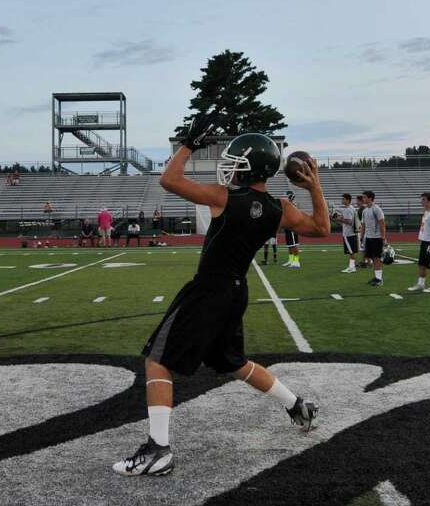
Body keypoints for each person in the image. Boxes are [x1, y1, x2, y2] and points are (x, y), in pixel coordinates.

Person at [113, 118, 329, 477]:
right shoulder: (280, 209)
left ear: (250, 167)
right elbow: (322, 228)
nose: (229, 167)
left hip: (208, 288)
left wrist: (188, 145)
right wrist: (315, 185)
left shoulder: (224, 196)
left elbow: (169, 180)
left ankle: (158, 450)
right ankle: (297, 406)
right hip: (235, 291)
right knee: (233, 364)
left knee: (158, 361)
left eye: (236, 162)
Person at [408, 192, 430, 292]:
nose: (421, 201)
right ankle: (421, 284)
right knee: (421, 264)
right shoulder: (426, 211)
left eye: (423, 199)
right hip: (425, 241)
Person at [358, 189, 387, 287]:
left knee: (377, 258)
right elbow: (364, 225)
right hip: (368, 237)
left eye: (364, 197)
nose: (363, 199)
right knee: (373, 258)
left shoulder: (377, 209)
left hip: (377, 237)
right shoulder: (365, 210)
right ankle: (376, 277)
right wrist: (362, 238)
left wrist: (383, 238)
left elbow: (382, 223)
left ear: (370, 198)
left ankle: (379, 279)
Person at [338, 193, 359, 273]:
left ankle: (352, 267)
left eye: (343, 199)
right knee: (352, 251)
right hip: (352, 233)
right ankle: (352, 266)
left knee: (351, 251)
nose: (342, 200)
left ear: (347, 200)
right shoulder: (351, 208)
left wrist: (339, 219)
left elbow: (349, 222)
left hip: (348, 233)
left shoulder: (348, 209)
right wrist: (339, 219)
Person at [281, 190, 301, 269]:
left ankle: (296, 261)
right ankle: (291, 260)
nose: (284, 197)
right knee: (290, 245)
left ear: (290, 196)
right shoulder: (287, 205)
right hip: (288, 227)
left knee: (293, 245)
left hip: (292, 227)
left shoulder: (292, 205)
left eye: (286, 196)